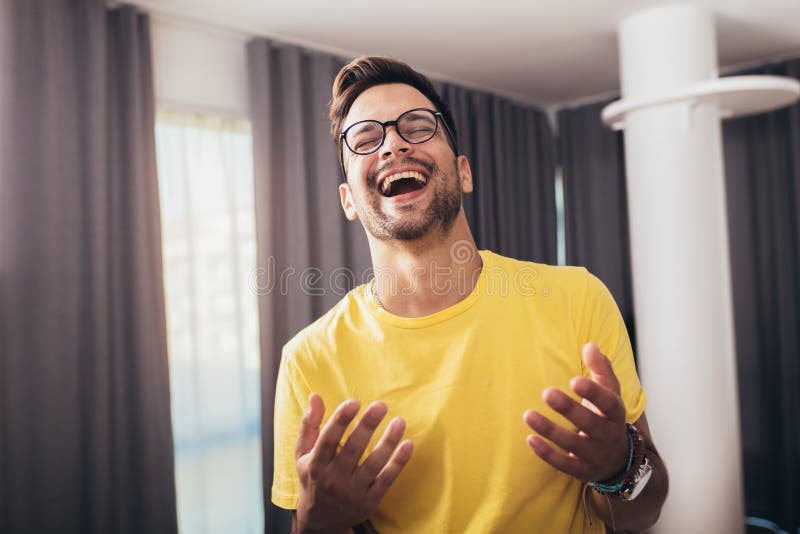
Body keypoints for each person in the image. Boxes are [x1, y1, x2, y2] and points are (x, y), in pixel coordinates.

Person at [271, 56, 668, 534]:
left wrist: (620, 466)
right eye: (365, 139)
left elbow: (647, 511)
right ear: (349, 200)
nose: (393, 143)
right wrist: (317, 524)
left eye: (416, 126)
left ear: (463, 173)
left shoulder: (577, 299)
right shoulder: (308, 361)